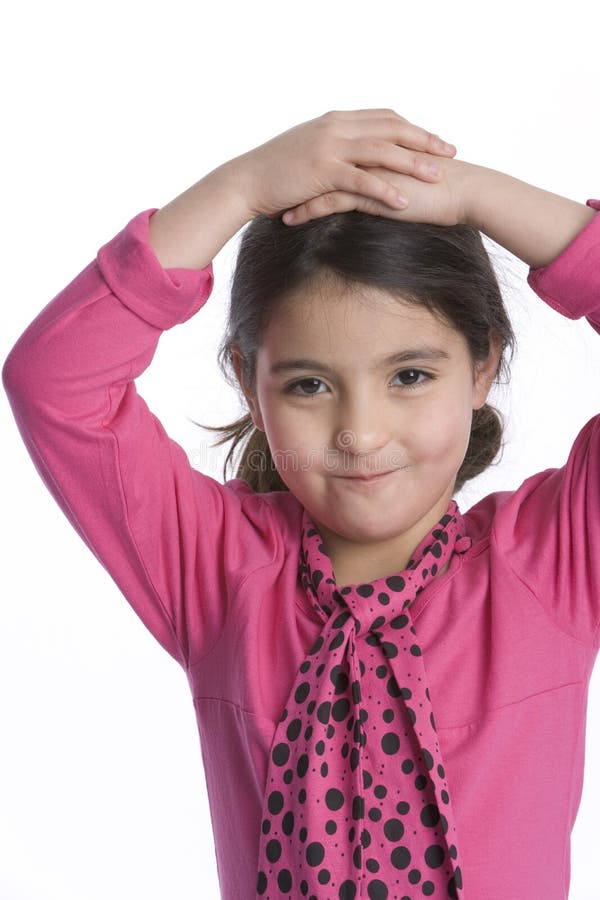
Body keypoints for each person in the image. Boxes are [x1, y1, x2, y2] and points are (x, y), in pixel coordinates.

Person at [2, 108, 599, 900]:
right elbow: (55, 384)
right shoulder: (217, 571)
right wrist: (240, 188)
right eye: (310, 385)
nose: (360, 433)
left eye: (410, 376)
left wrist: (472, 194)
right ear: (250, 385)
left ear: (484, 366)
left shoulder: (551, 565)